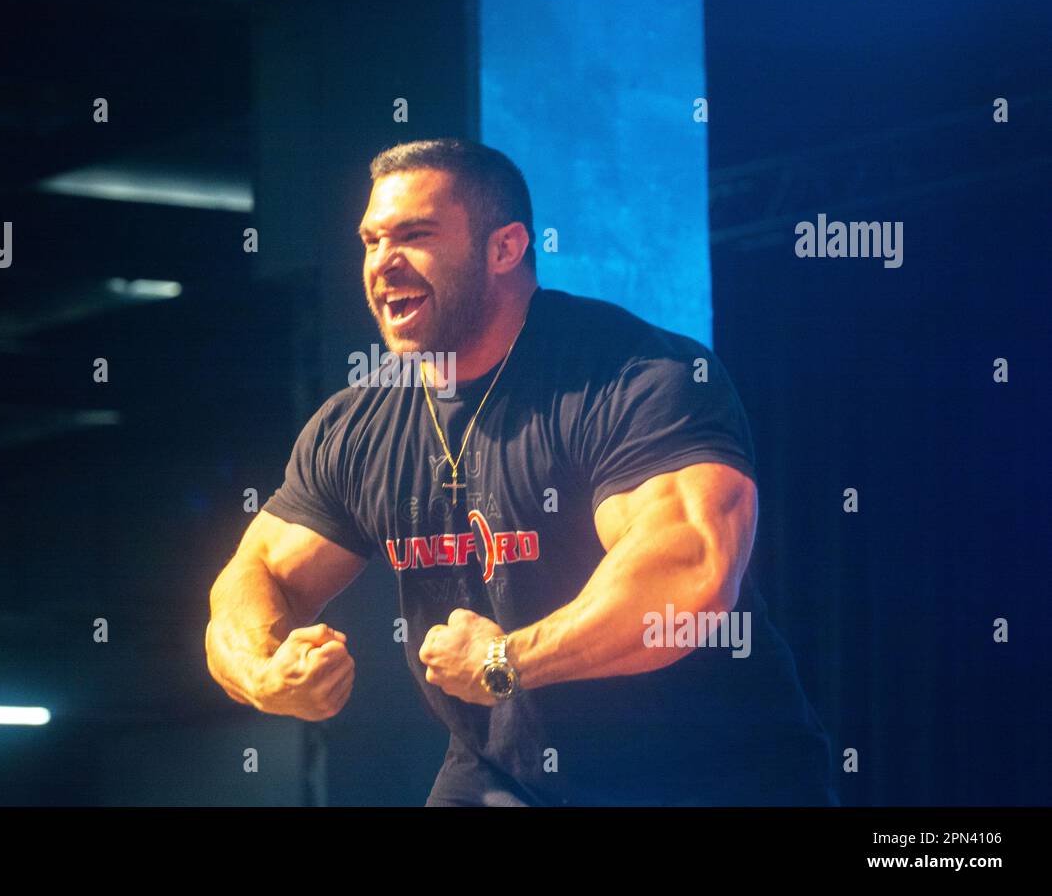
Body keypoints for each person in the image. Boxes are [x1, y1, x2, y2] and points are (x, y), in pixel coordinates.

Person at [205, 138, 838, 806]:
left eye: (415, 236)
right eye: (371, 240)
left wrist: (508, 660)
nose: (383, 263)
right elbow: (261, 573)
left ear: (505, 248)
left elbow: (690, 571)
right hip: (507, 775)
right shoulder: (356, 426)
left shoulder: (637, 378)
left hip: (708, 775)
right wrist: (264, 671)